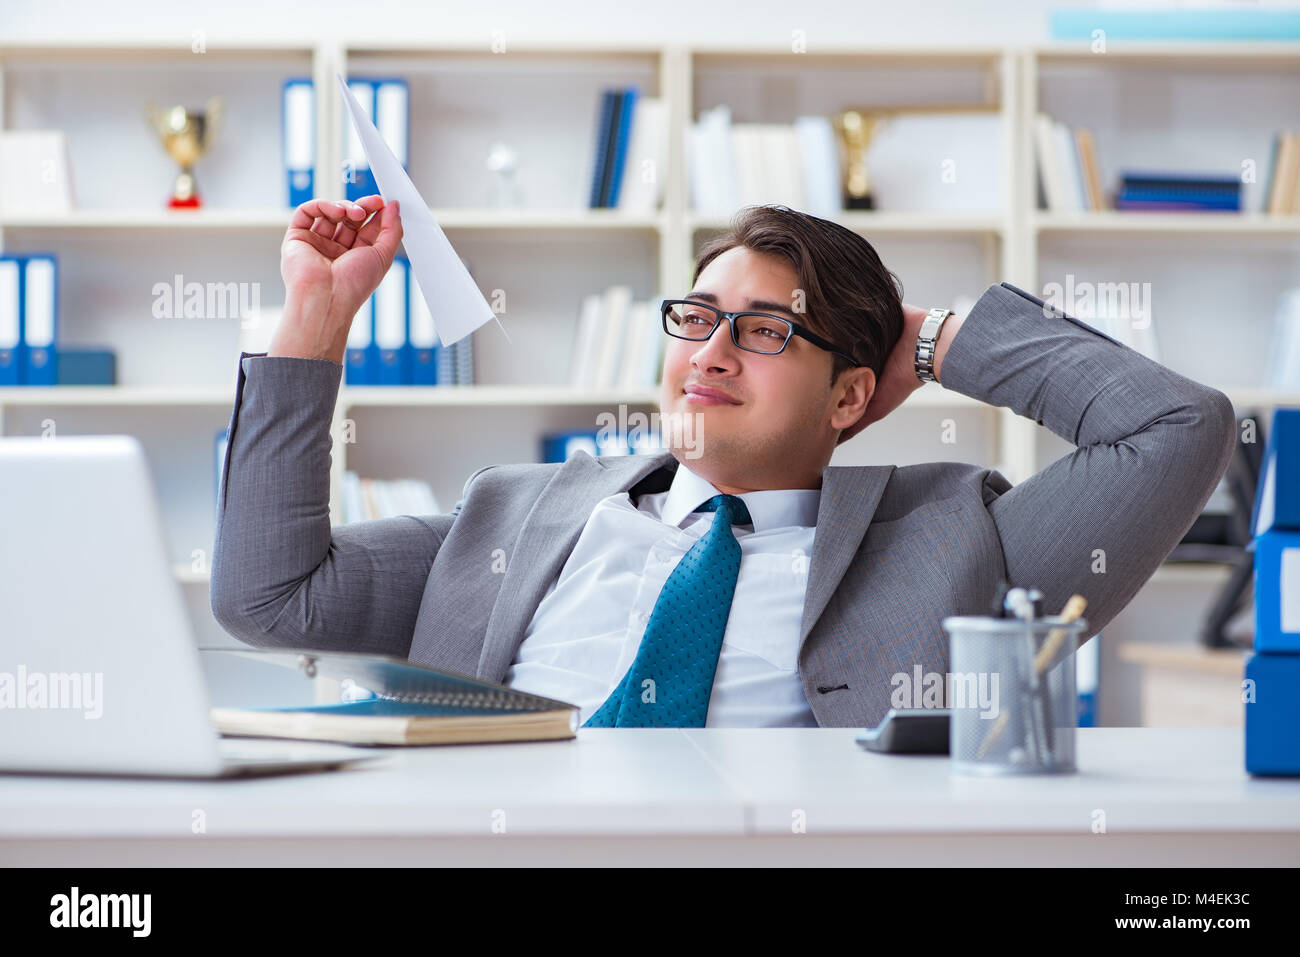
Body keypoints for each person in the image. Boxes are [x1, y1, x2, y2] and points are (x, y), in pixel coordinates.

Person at [210, 196, 1236, 728]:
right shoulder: (513, 515)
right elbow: (268, 598)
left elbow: (1175, 429)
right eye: (695, 318)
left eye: (763, 331)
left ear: (849, 396)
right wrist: (317, 316)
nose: (707, 351)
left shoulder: (956, 544)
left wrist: (923, 338)